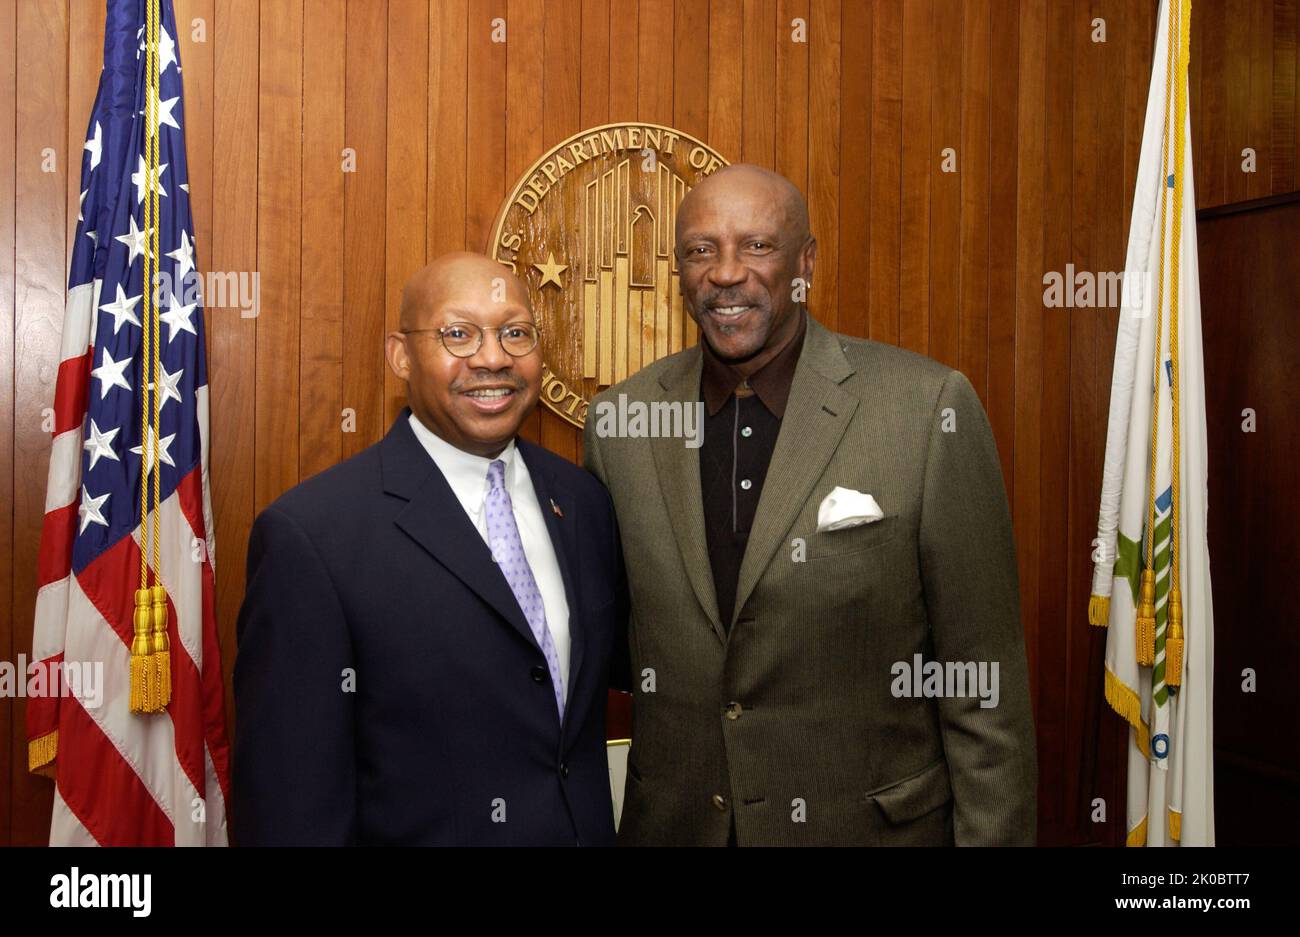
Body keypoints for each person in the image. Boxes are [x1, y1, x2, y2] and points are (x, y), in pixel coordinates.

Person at [584, 164, 1037, 845]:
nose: (726, 272)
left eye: (758, 246)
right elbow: (617, 645)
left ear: (807, 261)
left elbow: (982, 685)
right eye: (701, 250)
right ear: (678, 269)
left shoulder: (925, 410)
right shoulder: (620, 424)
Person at [233, 252, 625, 845]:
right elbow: (292, 804)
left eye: (515, 333)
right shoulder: (312, 537)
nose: (492, 358)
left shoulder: (583, 503)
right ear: (401, 355)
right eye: (457, 334)